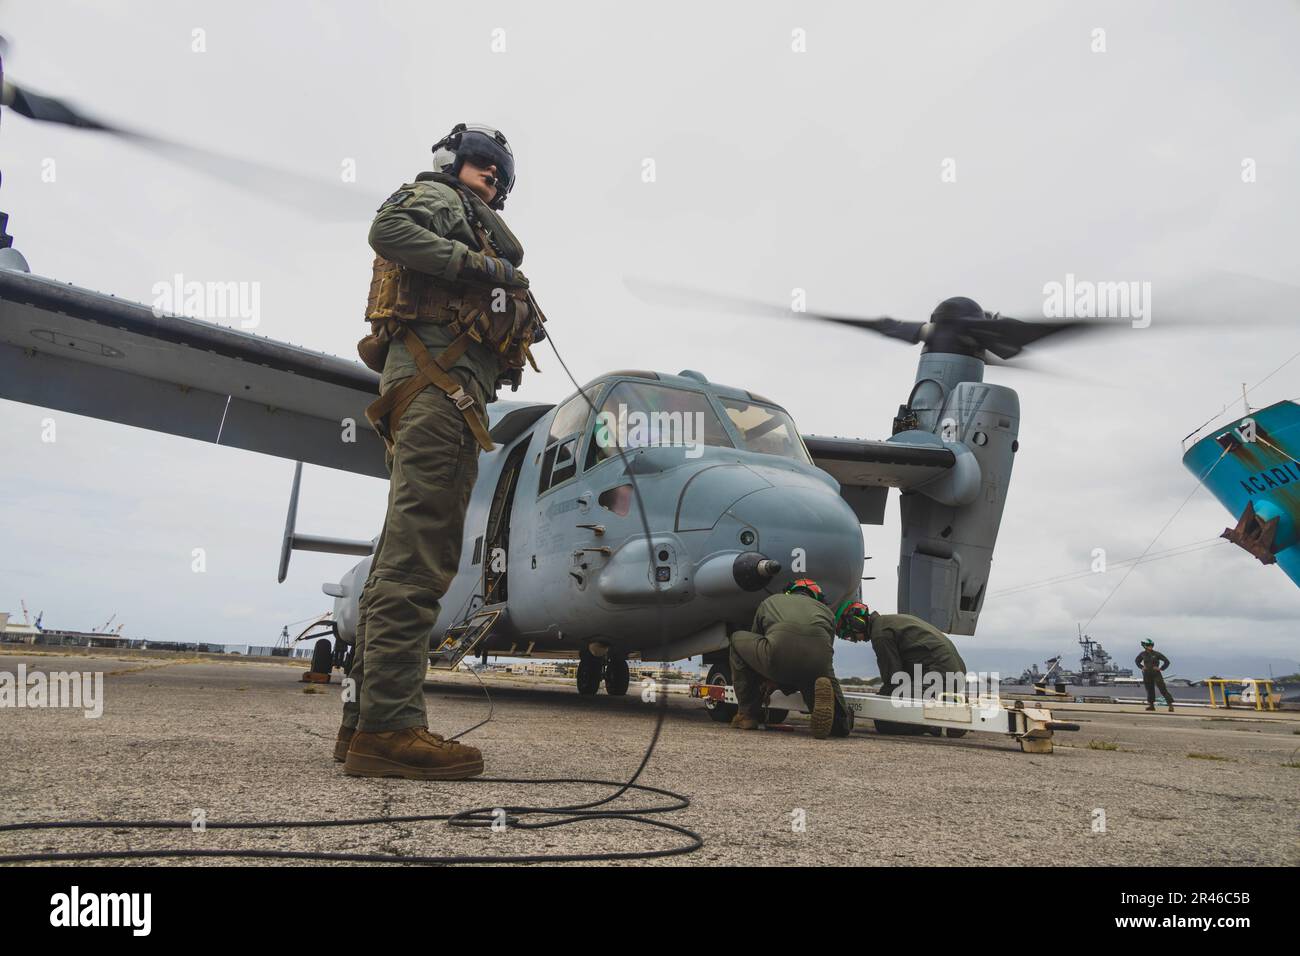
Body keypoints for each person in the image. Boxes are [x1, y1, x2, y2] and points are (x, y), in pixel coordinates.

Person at [336, 123, 541, 779]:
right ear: (455, 164)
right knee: (420, 553)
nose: (493, 180)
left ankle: (364, 722)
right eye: (484, 166)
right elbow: (388, 231)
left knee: (410, 548)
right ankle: (390, 729)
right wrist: (474, 266)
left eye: (500, 175)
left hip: (443, 392)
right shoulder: (442, 201)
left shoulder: (473, 219)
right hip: (436, 389)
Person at [727, 579, 854, 739]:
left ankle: (747, 715)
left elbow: (758, 639)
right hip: (817, 665)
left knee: (737, 639)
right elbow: (827, 649)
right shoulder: (826, 612)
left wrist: (768, 678)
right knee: (817, 682)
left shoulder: (771, 601)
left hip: (777, 657)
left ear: (789, 591)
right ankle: (839, 723)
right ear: (816, 598)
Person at [841, 603, 969, 737]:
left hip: (941, 674)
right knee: (892, 698)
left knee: (885, 722)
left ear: (857, 625)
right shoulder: (888, 622)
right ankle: (950, 700)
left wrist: (880, 701)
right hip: (952, 672)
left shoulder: (880, 634)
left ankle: (936, 722)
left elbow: (893, 679)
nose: (856, 640)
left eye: (851, 636)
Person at [1135, 639, 1174, 712]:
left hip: (1156, 674)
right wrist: (1142, 667)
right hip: (1146, 674)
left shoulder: (1157, 654)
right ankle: (1151, 706)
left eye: (1151, 645)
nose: (1151, 647)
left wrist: (1161, 668)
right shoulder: (1142, 654)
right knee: (1149, 690)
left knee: (1163, 689)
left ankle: (1170, 705)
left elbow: (1167, 661)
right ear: (1145, 646)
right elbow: (1137, 661)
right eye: (1149, 645)